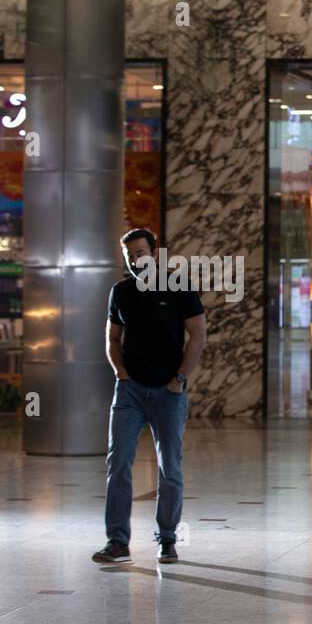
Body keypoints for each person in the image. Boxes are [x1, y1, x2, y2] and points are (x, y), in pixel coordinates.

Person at [92, 228, 206, 564]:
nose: (135, 259)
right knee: (118, 464)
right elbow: (113, 337)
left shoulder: (179, 286)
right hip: (129, 390)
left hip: (168, 393)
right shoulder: (121, 291)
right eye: (130, 255)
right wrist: (120, 373)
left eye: (140, 253)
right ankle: (117, 542)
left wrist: (179, 379)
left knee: (170, 467)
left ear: (155, 253)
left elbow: (198, 336)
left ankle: (167, 539)